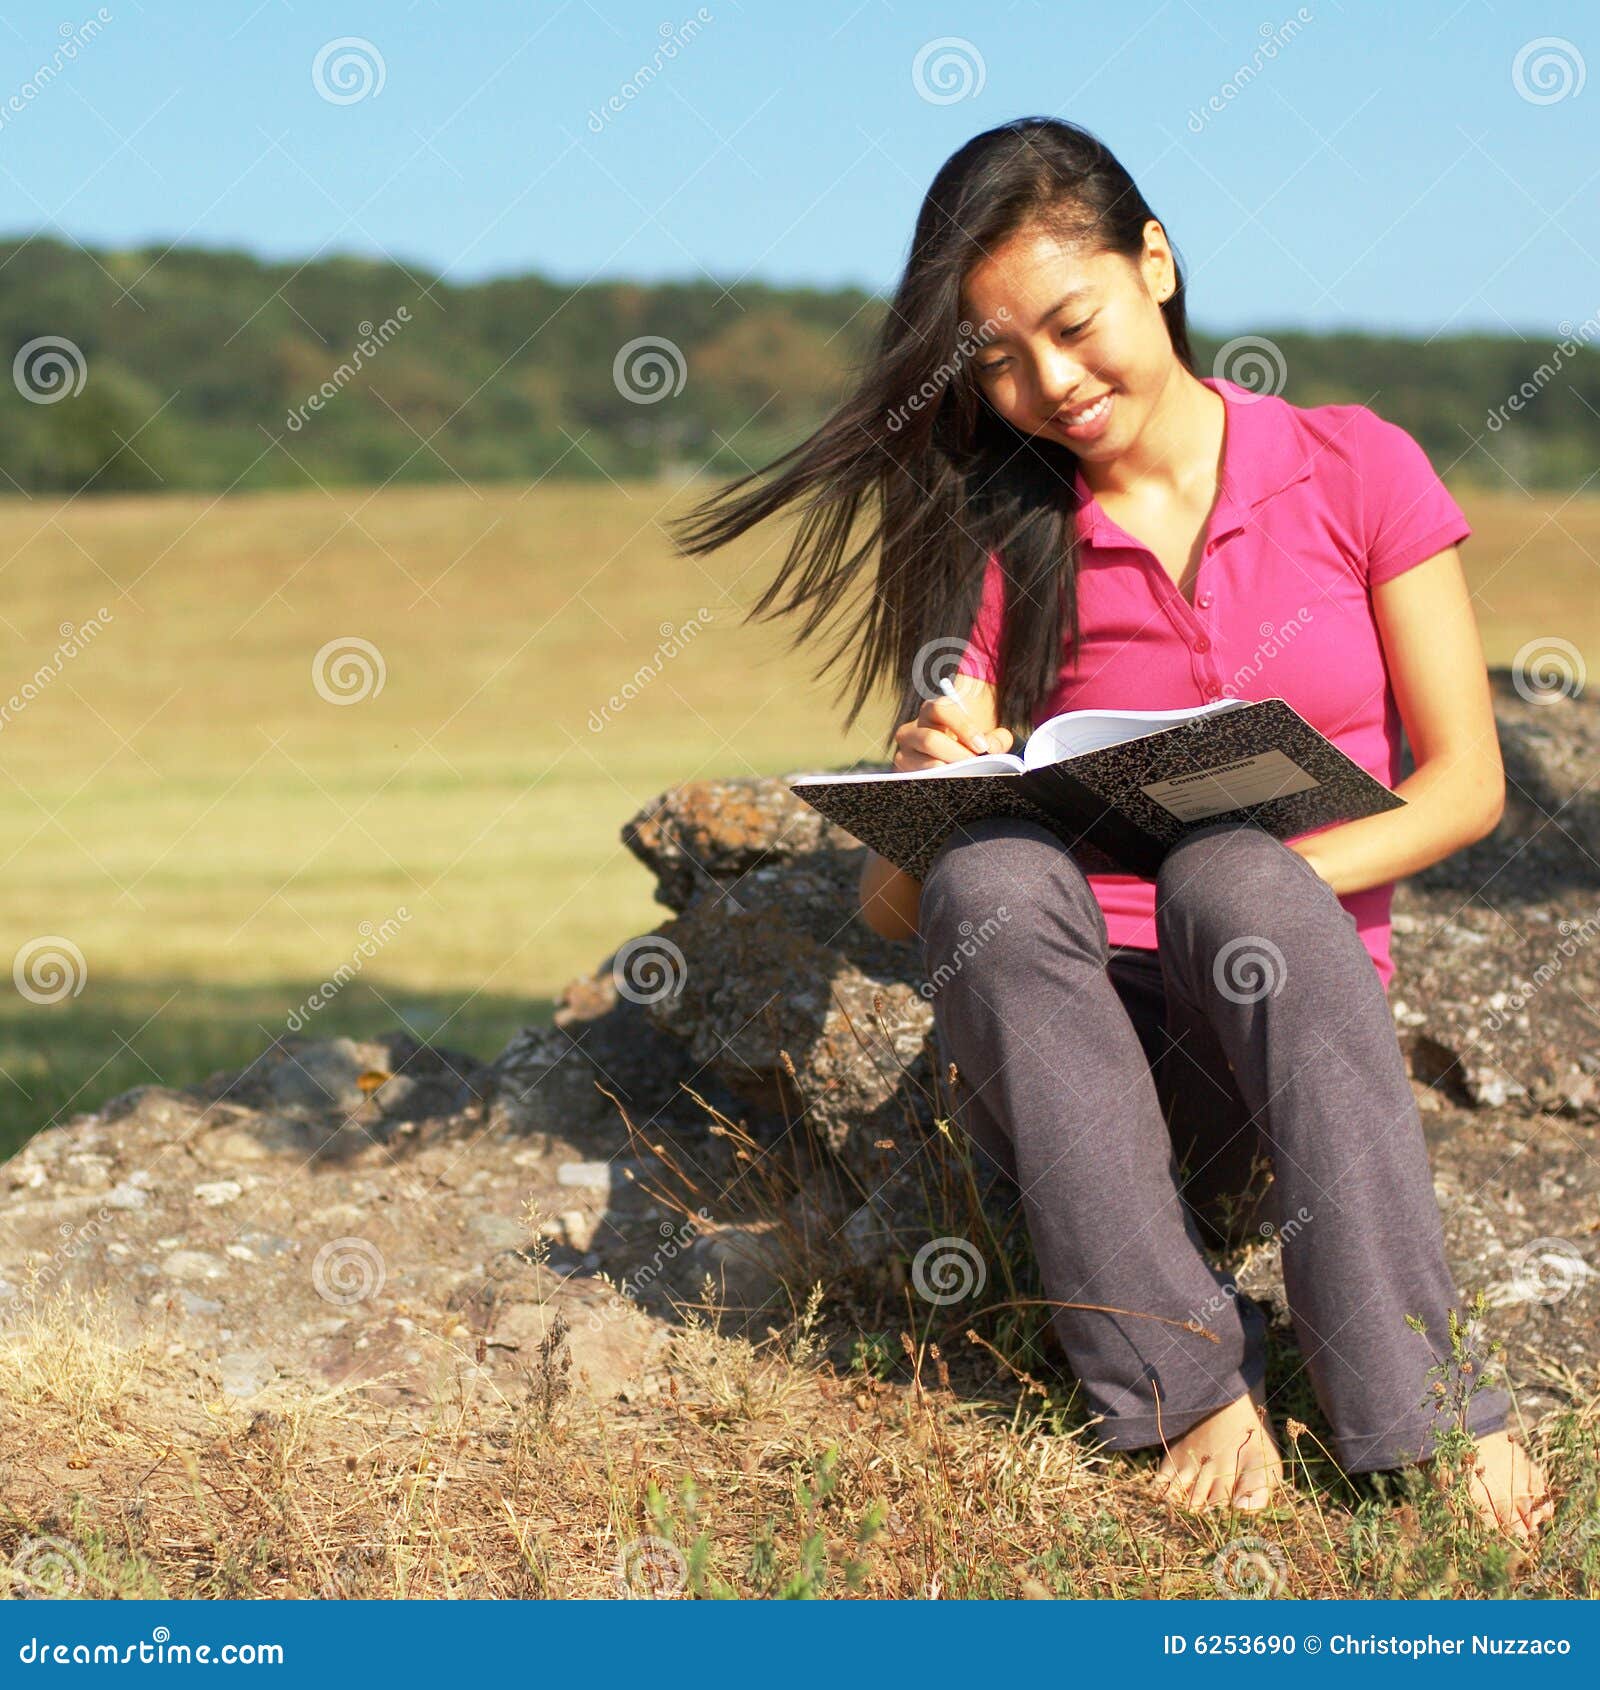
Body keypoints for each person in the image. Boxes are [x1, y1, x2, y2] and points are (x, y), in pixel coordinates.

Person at [670, 116, 1552, 1540]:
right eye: (997, 362)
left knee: (1231, 875)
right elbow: (895, 918)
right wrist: (931, 779)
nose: (1051, 386)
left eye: (1072, 327)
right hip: (1072, 1065)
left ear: (1157, 261)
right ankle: (1181, 1382)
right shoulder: (1003, 535)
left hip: (1275, 1024)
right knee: (989, 874)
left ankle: (1421, 1409)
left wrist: (1265, 882)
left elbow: (1467, 783)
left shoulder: (1356, 467)